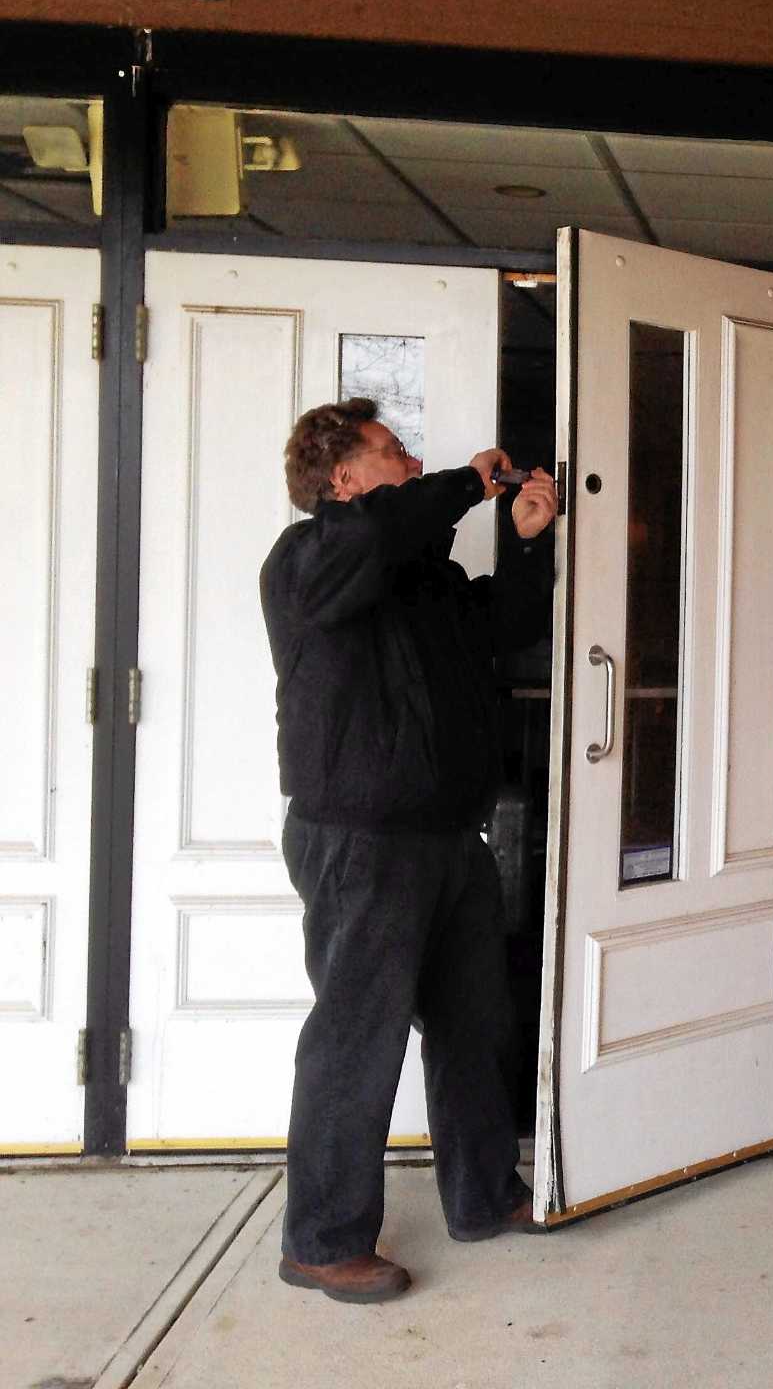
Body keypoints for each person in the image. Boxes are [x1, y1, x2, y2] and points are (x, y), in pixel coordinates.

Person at [258, 398, 559, 1304]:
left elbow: (505, 628)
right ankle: (322, 1241)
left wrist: (527, 541)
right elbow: (382, 530)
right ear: (343, 478)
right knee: (358, 1037)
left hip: (447, 838)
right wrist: (467, 482)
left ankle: (483, 1195)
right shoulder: (307, 561)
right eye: (394, 453)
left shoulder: (426, 579)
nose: (413, 464)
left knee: (474, 1022)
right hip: (361, 841)